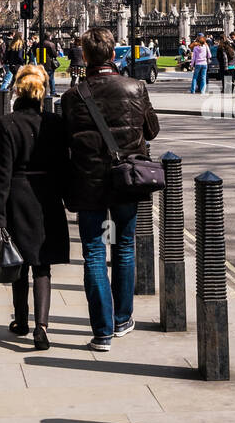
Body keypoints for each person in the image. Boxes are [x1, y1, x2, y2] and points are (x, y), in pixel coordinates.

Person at [60, 29, 160, 352]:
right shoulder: (135, 87)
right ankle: (122, 319)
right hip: (124, 180)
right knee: (124, 247)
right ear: (114, 55)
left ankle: (101, 332)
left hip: (88, 183)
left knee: (93, 252)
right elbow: (152, 130)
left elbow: (66, 141)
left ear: (85, 57)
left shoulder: (72, 97)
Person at [0, 64, 70, 350]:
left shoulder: (8, 123)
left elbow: (2, 171)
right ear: (42, 92)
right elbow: (64, 164)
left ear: (18, 92)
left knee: (19, 262)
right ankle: (42, 327)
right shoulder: (54, 122)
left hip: (18, 196)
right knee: (42, 264)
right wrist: (65, 197)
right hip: (47, 196)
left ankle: (22, 321)